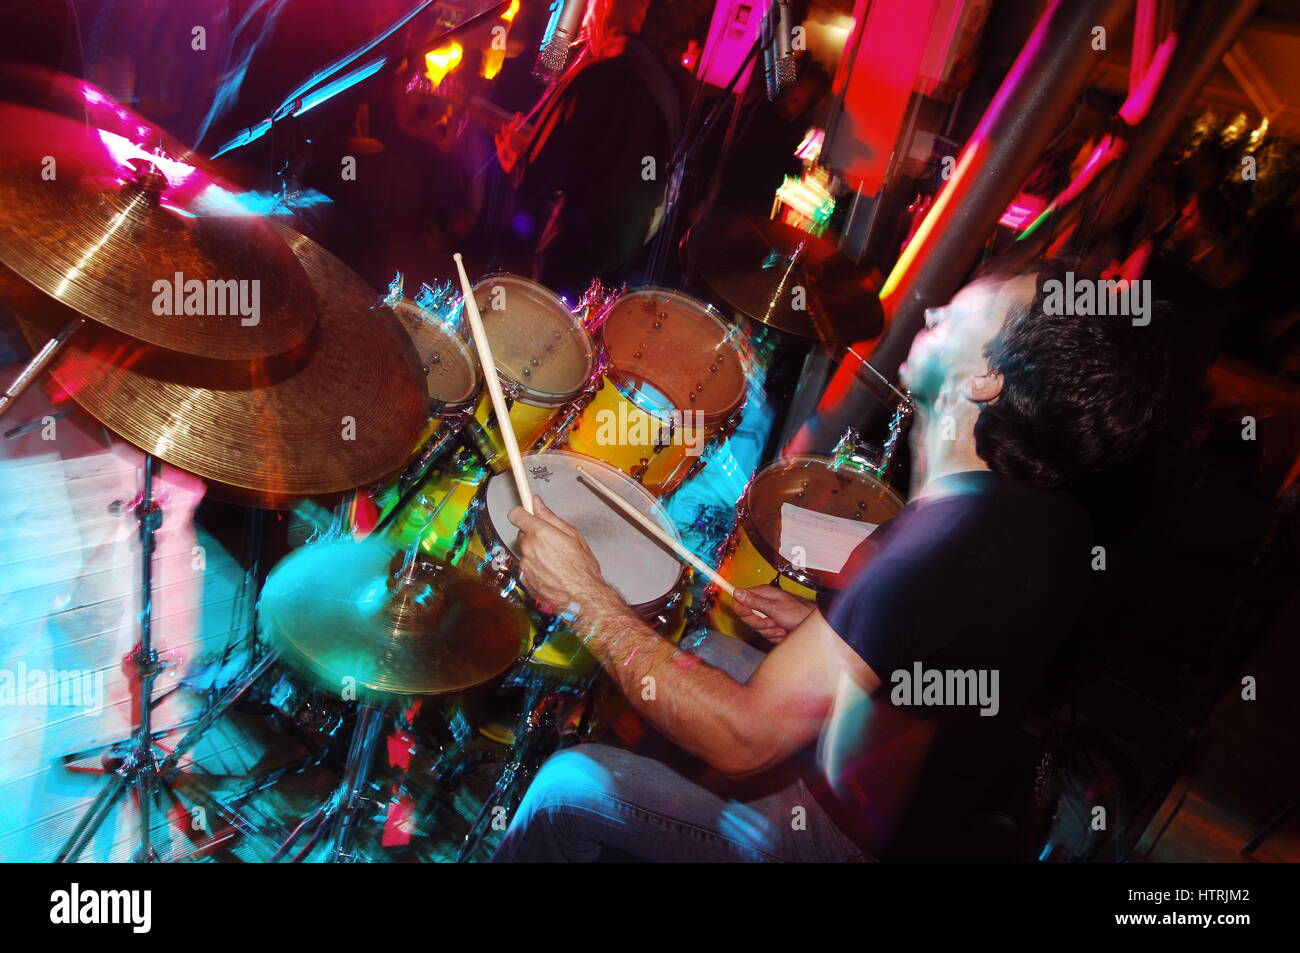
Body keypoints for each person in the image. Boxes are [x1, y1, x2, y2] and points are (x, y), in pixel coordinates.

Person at [492, 260, 1170, 862]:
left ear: (986, 378)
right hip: (906, 797)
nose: (935, 312)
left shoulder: (945, 544)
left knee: (567, 786)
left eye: (964, 311)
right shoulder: (1045, 512)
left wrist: (586, 596)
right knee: (700, 645)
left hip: (838, 838)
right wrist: (838, 627)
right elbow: (942, 655)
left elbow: (747, 741)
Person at [493, 0, 682, 297]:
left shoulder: (597, 75)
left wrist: (515, 162)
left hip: (573, 252)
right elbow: (644, 172)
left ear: (603, 8)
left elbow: (540, 175)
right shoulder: (664, 86)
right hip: (623, 255)